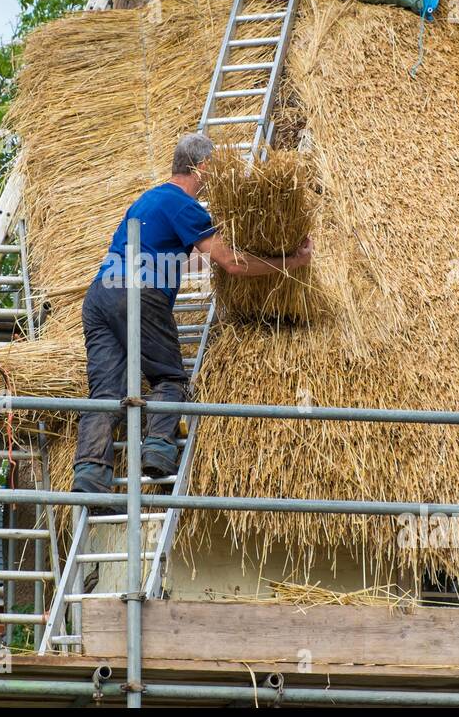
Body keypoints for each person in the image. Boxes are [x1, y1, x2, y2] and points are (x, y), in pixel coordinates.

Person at [71, 132, 314, 508]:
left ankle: (90, 473)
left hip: (100, 295)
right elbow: (231, 263)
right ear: (202, 167)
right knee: (169, 378)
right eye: (215, 169)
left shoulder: (148, 200)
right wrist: (291, 262)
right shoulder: (185, 205)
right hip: (138, 293)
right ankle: (157, 450)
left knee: (105, 392)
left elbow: (184, 257)